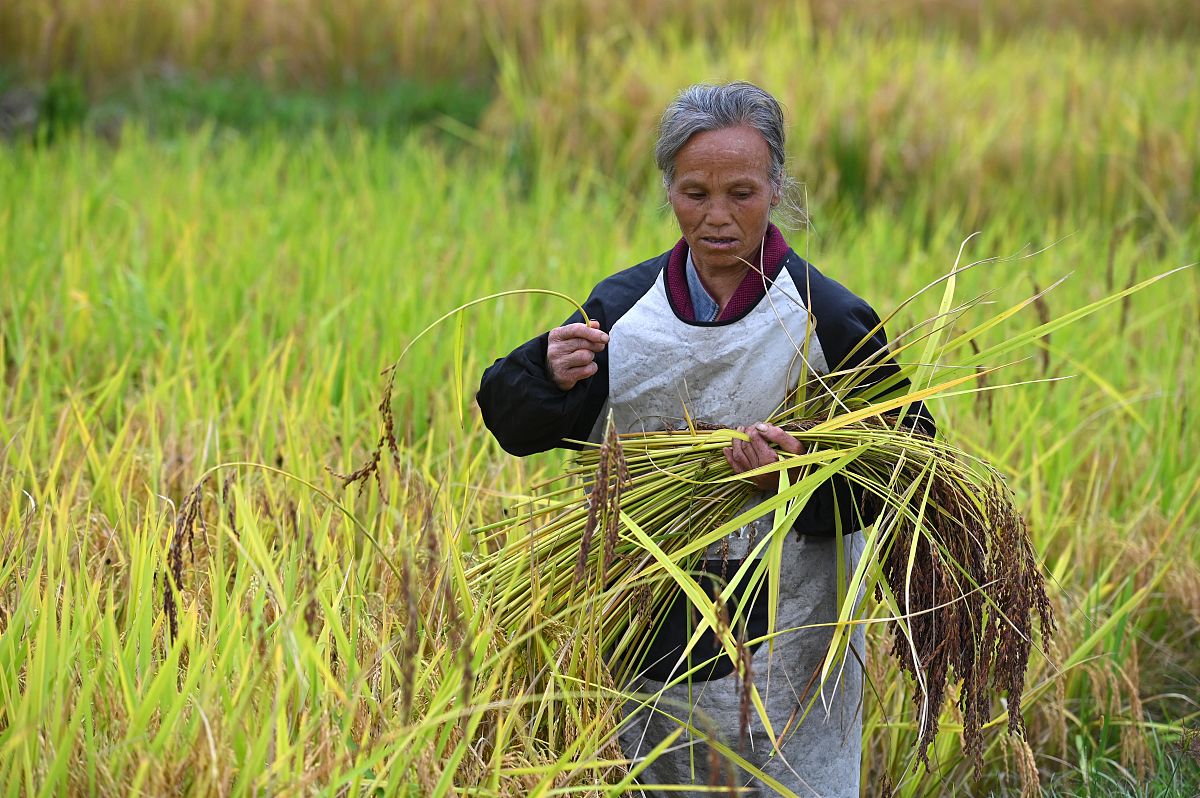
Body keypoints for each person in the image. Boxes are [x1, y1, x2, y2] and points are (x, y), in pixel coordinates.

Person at [477, 82, 935, 797]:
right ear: (668, 191)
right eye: (695, 193)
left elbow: (906, 465)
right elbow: (522, 426)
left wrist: (794, 479)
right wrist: (543, 370)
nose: (717, 216)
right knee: (661, 773)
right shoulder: (625, 311)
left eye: (741, 193)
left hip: (794, 639)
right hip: (654, 624)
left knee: (786, 777)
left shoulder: (831, 320)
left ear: (777, 188)